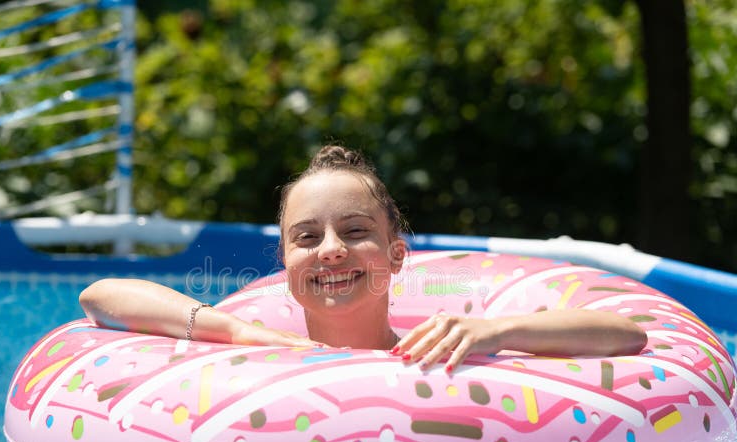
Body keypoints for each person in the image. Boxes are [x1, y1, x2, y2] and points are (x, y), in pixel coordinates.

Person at [80, 144, 647, 373]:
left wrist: (496, 331)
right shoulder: (254, 341)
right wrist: (235, 332)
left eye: (355, 231)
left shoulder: (436, 344)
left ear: (397, 256)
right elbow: (99, 296)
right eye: (306, 238)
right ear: (284, 262)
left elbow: (624, 335)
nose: (330, 249)